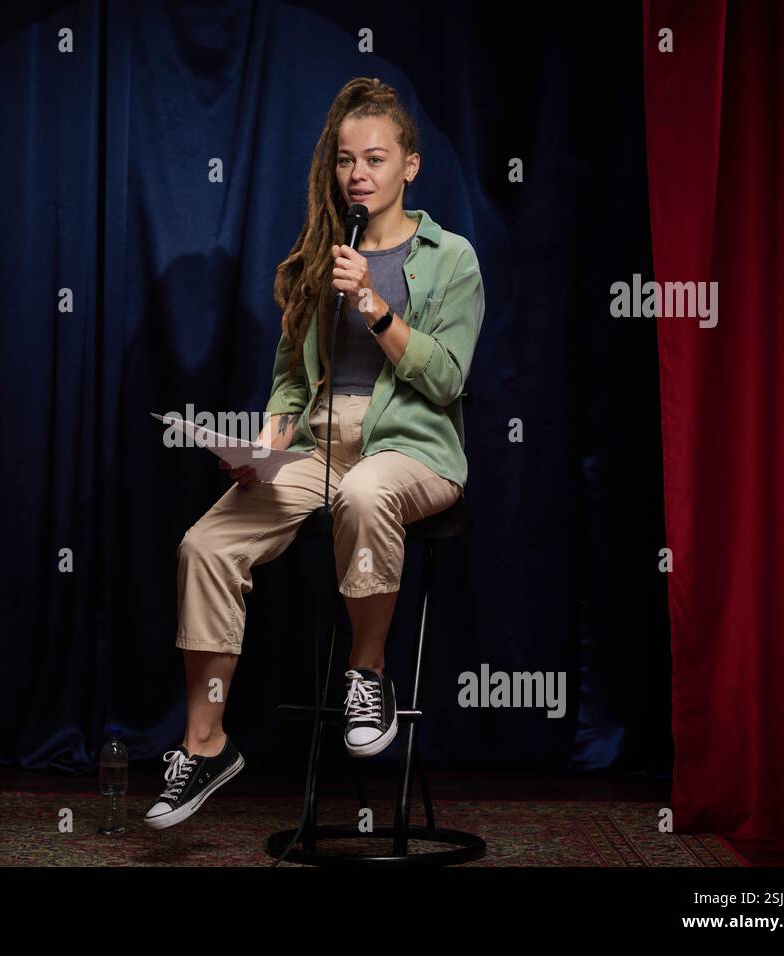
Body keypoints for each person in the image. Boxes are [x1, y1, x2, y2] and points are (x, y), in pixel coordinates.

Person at [144, 77, 485, 830]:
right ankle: (206, 743)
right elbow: (291, 384)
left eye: (375, 158)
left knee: (366, 493)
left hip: (412, 447)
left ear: (410, 167)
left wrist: (375, 305)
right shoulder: (318, 258)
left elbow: (448, 377)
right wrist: (267, 443)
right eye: (344, 160)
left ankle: (368, 674)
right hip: (322, 442)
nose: (357, 173)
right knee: (206, 544)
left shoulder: (451, 257)